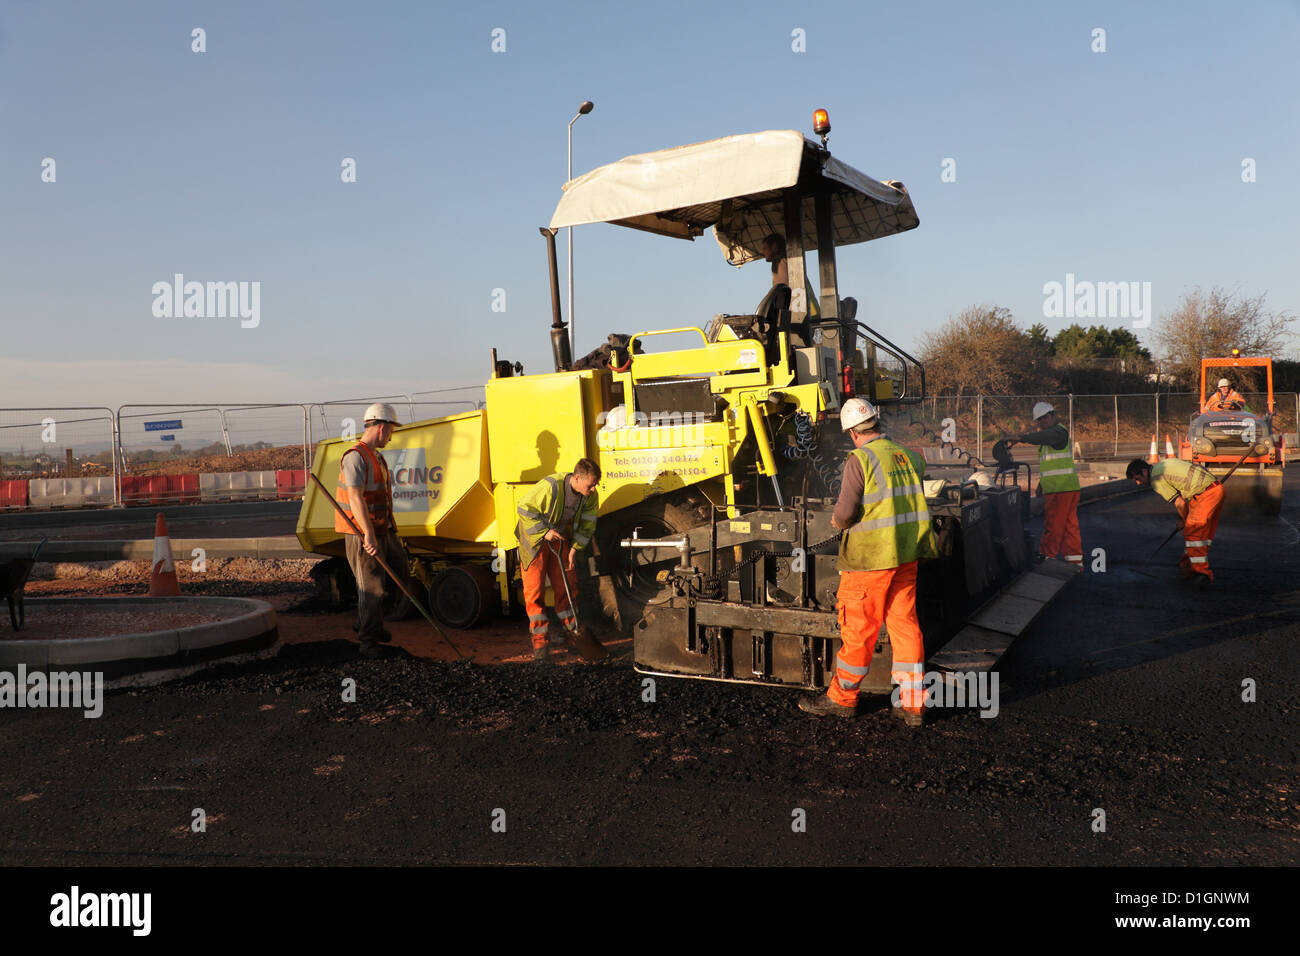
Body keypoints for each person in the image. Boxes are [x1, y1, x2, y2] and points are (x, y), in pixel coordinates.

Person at [798, 397, 936, 727]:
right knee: (905, 626)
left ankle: (842, 699)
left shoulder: (859, 459)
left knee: (859, 629)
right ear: (876, 423)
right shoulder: (909, 456)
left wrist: (837, 523)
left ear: (851, 433)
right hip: (906, 554)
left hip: (870, 559)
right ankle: (913, 704)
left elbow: (845, 513)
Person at [336, 402, 412, 659]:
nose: (391, 436)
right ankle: (368, 641)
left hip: (382, 529)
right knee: (371, 587)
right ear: (381, 427)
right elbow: (355, 497)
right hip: (362, 533)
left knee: (400, 572)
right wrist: (368, 533)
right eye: (391, 430)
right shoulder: (355, 456)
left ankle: (370, 623)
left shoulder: (376, 456)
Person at [516, 458, 601, 662]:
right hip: (535, 541)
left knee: (568, 589)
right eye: (591, 484)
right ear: (577, 478)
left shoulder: (589, 496)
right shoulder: (551, 486)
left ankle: (574, 638)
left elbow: (587, 526)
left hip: (560, 540)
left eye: (596, 483)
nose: (594, 487)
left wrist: (574, 550)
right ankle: (541, 648)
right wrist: (544, 532)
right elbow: (524, 509)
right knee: (535, 593)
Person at [1007, 402, 1082, 571]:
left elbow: (1045, 437)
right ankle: (1075, 564)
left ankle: (1046, 559)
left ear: (1051, 415)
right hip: (1066, 487)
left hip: (1060, 489)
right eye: (1038, 421)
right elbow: (1051, 463)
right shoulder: (1051, 436)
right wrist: (1041, 483)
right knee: (1070, 527)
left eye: (1043, 419)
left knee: (1053, 526)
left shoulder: (1058, 432)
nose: (1041, 423)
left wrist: (1020, 438)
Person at [1126, 457, 1225, 586]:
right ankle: (1188, 568)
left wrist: (1184, 520)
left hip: (1205, 494)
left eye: (1137, 479)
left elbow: (1180, 502)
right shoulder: (1163, 464)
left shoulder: (1156, 479)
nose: (1138, 483)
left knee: (1193, 533)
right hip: (1215, 489)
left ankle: (1202, 574)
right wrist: (1183, 519)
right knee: (1201, 535)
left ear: (1144, 472)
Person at [761, 233, 820, 320]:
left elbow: (782, 290)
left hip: (799, 313)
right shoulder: (790, 258)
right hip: (811, 310)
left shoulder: (780, 261)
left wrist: (777, 316)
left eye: (765, 248)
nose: (763, 252)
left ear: (774, 246)